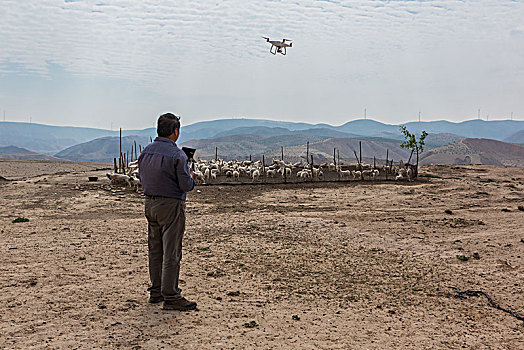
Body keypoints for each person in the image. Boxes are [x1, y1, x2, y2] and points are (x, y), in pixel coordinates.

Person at [138, 112, 198, 311]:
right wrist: (191, 176)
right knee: (171, 251)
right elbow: (185, 185)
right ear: (176, 131)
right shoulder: (177, 155)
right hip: (171, 206)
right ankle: (171, 295)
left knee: (155, 250)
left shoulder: (146, 151)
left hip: (150, 204)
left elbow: (142, 177)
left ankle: (156, 291)